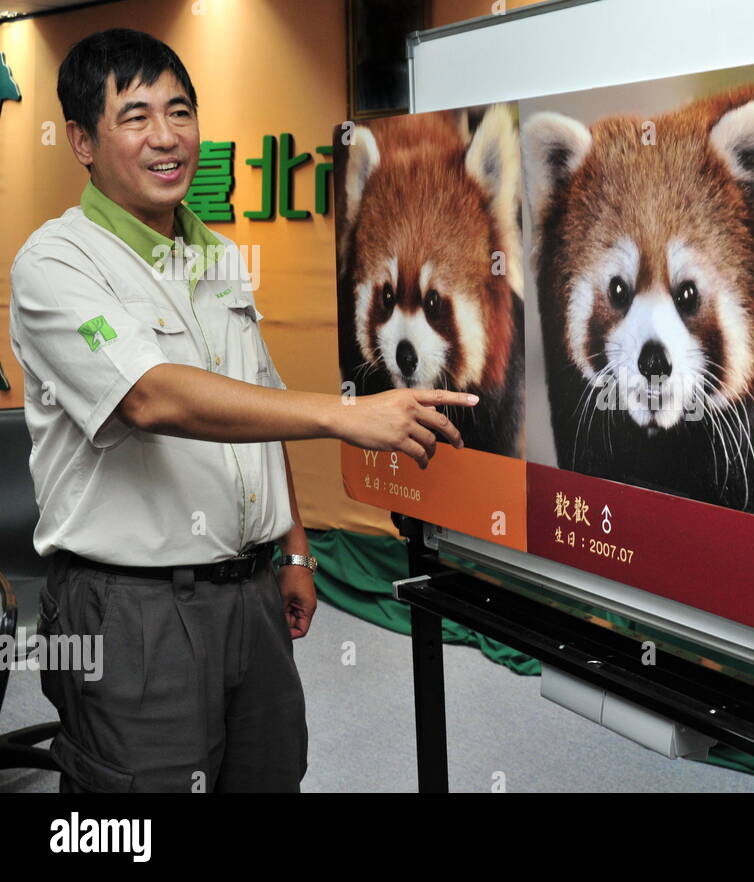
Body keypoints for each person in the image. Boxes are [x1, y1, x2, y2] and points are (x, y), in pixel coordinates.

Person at [6, 28, 474, 792]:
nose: (168, 137)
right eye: (136, 116)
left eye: (180, 110)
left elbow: (257, 401)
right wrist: (342, 416)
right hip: (132, 609)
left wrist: (292, 549)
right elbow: (151, 396)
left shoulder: (218, 256)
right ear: (83, 141)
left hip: (252, 593)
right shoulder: (56, 264)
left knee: (269, 776)